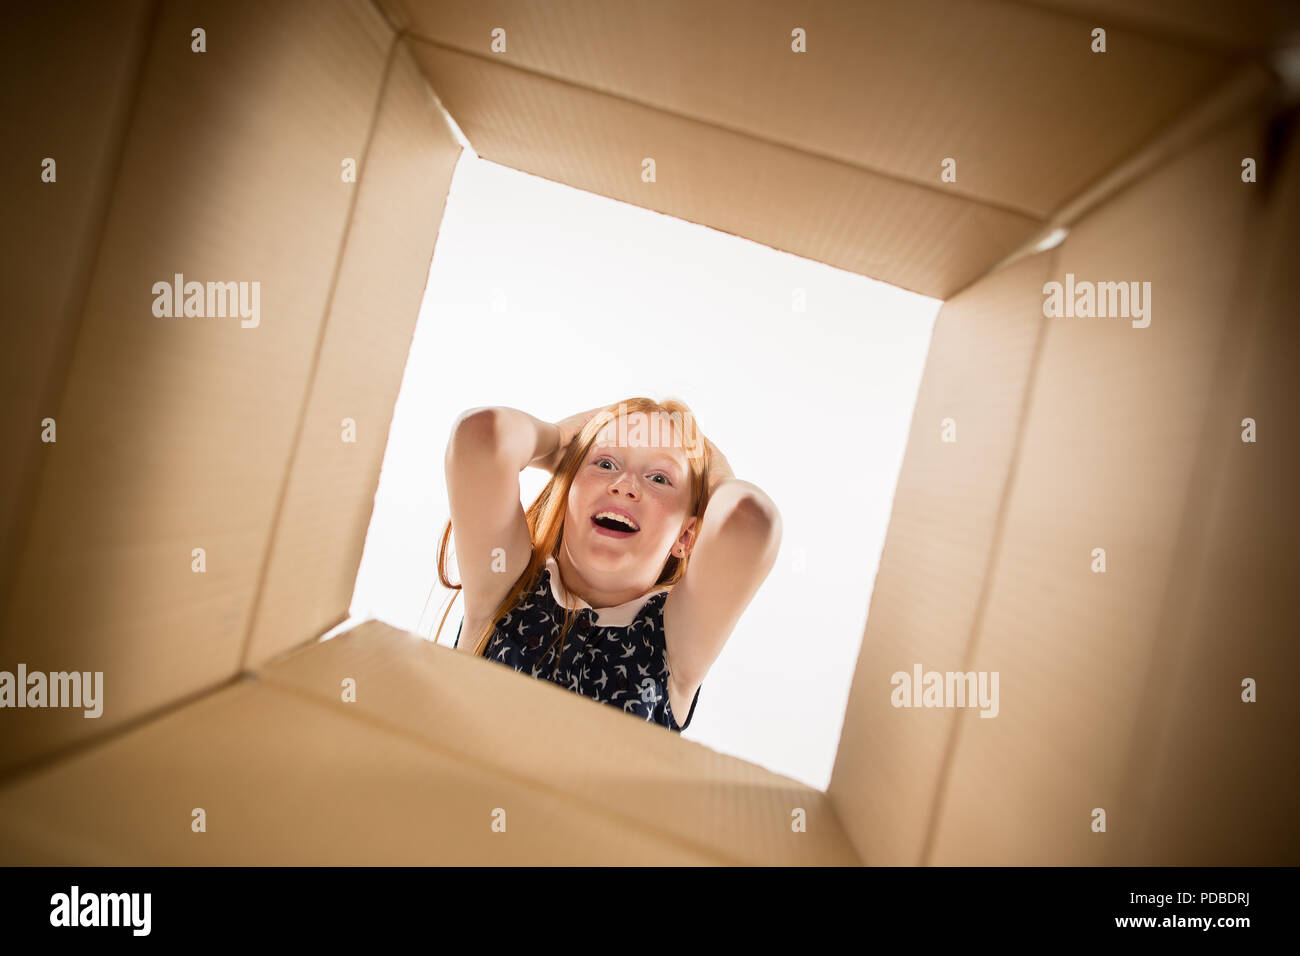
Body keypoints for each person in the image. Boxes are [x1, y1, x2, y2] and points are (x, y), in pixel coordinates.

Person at [435, 397, 781, 733]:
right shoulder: (503, 583)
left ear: (687, 536)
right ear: (568, 486)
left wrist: (710, 475)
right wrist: (558, 439)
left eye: (659, 478)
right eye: (605, 463)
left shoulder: (674, 646)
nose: (625, 486)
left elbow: (749, 520)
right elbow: (481, 435)